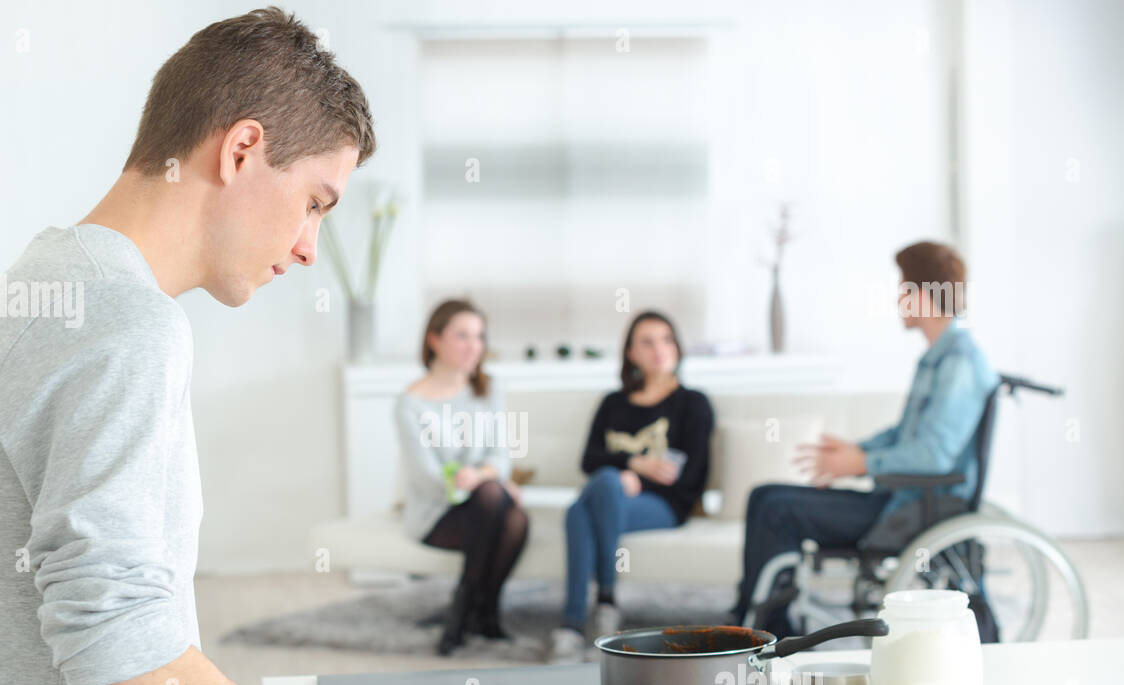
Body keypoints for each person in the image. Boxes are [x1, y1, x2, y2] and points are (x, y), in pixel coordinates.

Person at [0, 8, 462, 685]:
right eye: (314, 202)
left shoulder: (39, 289)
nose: (309, 247)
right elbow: (118, 642)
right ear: (242, 149)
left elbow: (115, 624)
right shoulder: (124, 323)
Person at [727, 241, 999, 637]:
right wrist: (856, 452)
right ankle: (759, 616)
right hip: (898, 498)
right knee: (764, 495)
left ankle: (759, 626)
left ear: (923, 295)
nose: (898, 299)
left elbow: (935, 454)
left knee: (775, 508)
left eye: (903, 288)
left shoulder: (958, 363)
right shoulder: (937, 357)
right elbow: (904, 435)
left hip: (916, 510)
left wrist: (862, 464)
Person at [550, 310, 714, 662]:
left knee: (582, 507)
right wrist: (634, 465)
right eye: (648, 342)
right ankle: (601, 605)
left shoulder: (693, 403)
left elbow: (690, 475)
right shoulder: (614, 403)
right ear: (630, 353)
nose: (660, 349)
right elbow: (588, 460)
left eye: (667, 339)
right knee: (596, 494)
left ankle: (575, 622)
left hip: (666, 505)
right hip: (612, 497)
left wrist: (635, 480)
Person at [395, 300, 529, 656]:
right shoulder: (411, 404)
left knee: (513, 516)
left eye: (480, 336)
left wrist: (485, 477)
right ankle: (476, 610)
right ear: (435, 340)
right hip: (436, 512)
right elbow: (426, 477)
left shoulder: (488, 389)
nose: (475, 346)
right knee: (496, 502)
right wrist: (474, 480)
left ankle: (474, 606)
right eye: (463, 336)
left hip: (485, 501)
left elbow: (502, 455)